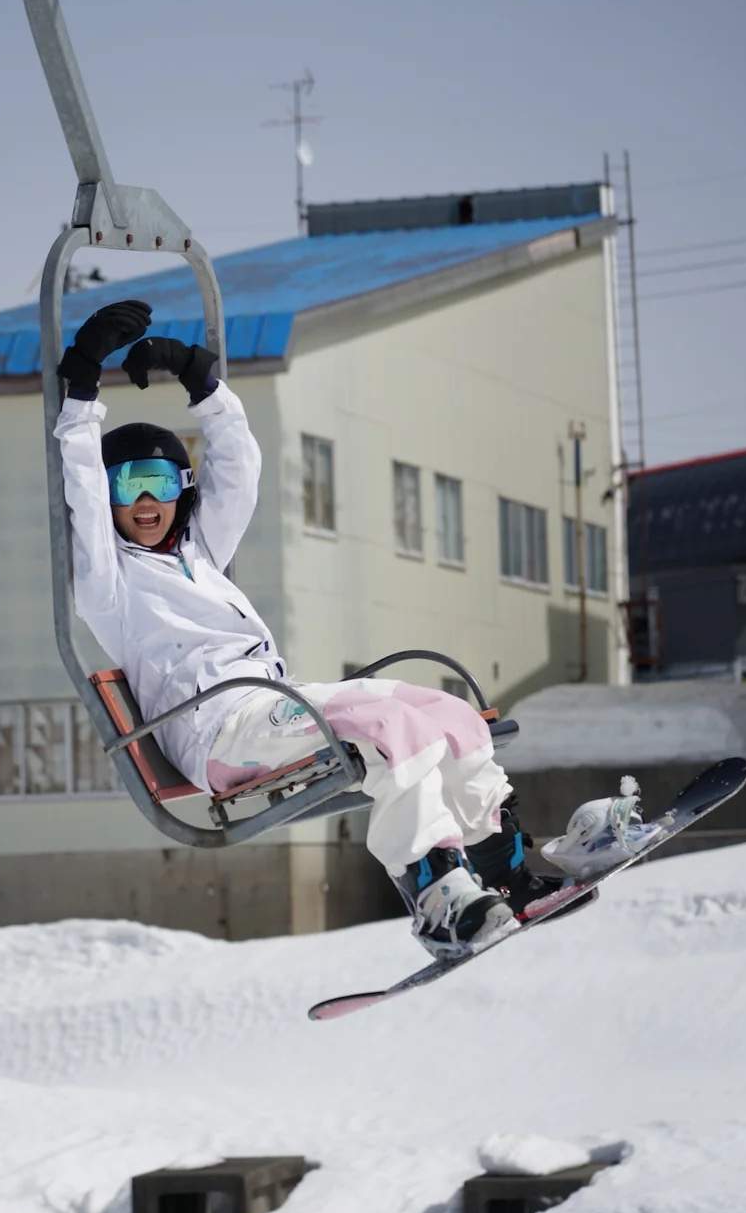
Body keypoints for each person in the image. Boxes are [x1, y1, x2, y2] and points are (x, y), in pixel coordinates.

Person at [54, 300, 561, 959]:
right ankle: (438, 896)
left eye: (157, 483)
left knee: (445, 713)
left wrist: (202, 379)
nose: (144, 503)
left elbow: (239, 469)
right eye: (127, 488)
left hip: (269, 706)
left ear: (183, 488)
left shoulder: (200, 554)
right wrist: (83, 381)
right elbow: (80, 488)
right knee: (387, 727)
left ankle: (503, 873)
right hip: (215, 730)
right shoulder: (110, 583)